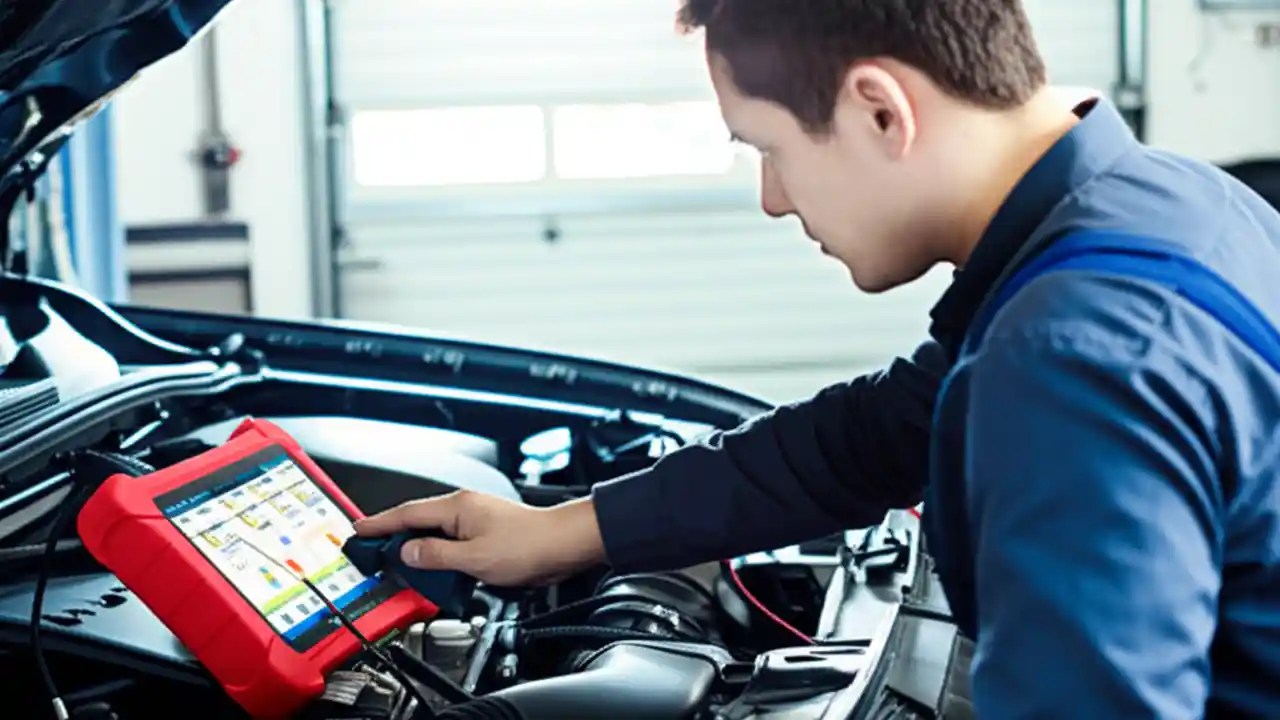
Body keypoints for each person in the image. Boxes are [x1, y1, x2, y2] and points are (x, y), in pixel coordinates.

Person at [356, 1, 1280, 717]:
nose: (771, 199)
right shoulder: (1170, 201)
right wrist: (561, 532)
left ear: (881, 110)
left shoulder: (1067, 356)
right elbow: (870, 438)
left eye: (769, 148)